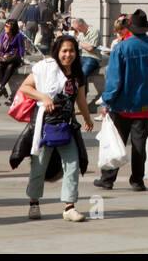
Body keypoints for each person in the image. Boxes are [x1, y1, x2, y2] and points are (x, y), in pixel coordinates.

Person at [20, 33, 94, 221]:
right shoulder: (46, 69)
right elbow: (25, 88)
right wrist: (44, 97)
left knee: (72, 164)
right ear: (57, 52)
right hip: (46, 125)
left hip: (66, 125)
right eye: (64, 51)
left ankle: (69, 206)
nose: (68, 55)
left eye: (72, 51)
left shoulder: (78, 74)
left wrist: (87, 118)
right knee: (39, 165)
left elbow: (81, 99)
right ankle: (34, 203)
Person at [94, 9, 148, 191]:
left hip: (122, 103)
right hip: (144, 103)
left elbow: (114, 79)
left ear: (130, 27)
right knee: (140, 145)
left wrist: (107, 102)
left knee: (116, 142)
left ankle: (108, 179)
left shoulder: (121, 48)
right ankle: (138, 180)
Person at [0, 20, 25, 102]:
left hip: (14, 57)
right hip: (6, 57)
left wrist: (22, 57)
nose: (5, 27)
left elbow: (21, 47)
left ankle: (1, 87)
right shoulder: (3, 35)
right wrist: (2, 55)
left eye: (7, 26)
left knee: (10, 66)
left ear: (12, 27)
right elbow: (1, 48)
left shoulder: (18, 35)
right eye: (5, 25)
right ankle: (2, 87)